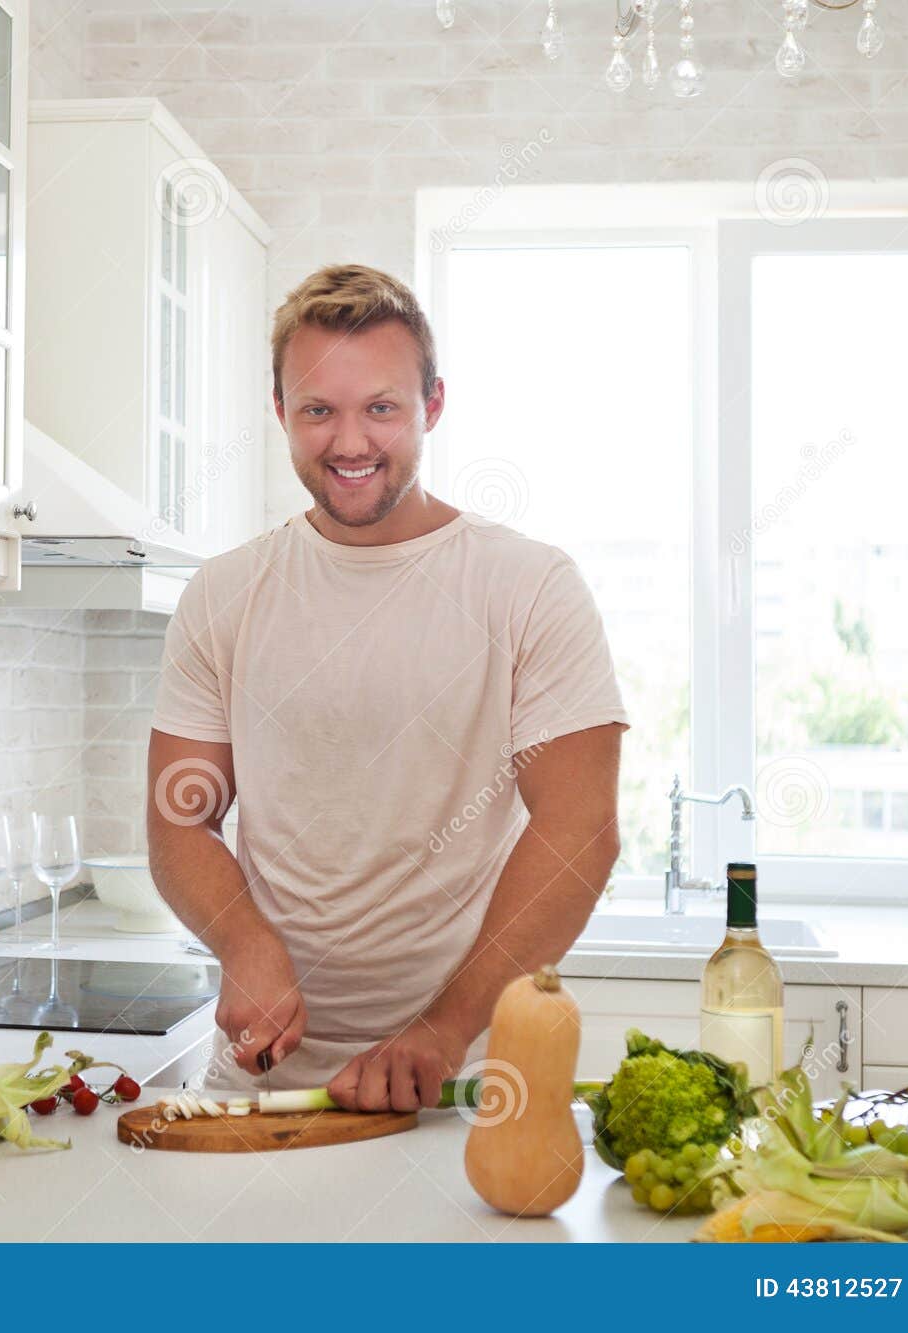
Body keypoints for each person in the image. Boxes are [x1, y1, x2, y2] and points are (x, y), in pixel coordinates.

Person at [147, 262, 629, 1112]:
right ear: (280, 411)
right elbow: (178, 820)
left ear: (432, 405)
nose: (350, 443)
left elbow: (579, 831)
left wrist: (444, 1030)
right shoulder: (224, 593)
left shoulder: (529, 586)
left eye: (381, 408)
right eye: (318, 411)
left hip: (467, 1088)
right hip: (261, 1087)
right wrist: (242, 940)